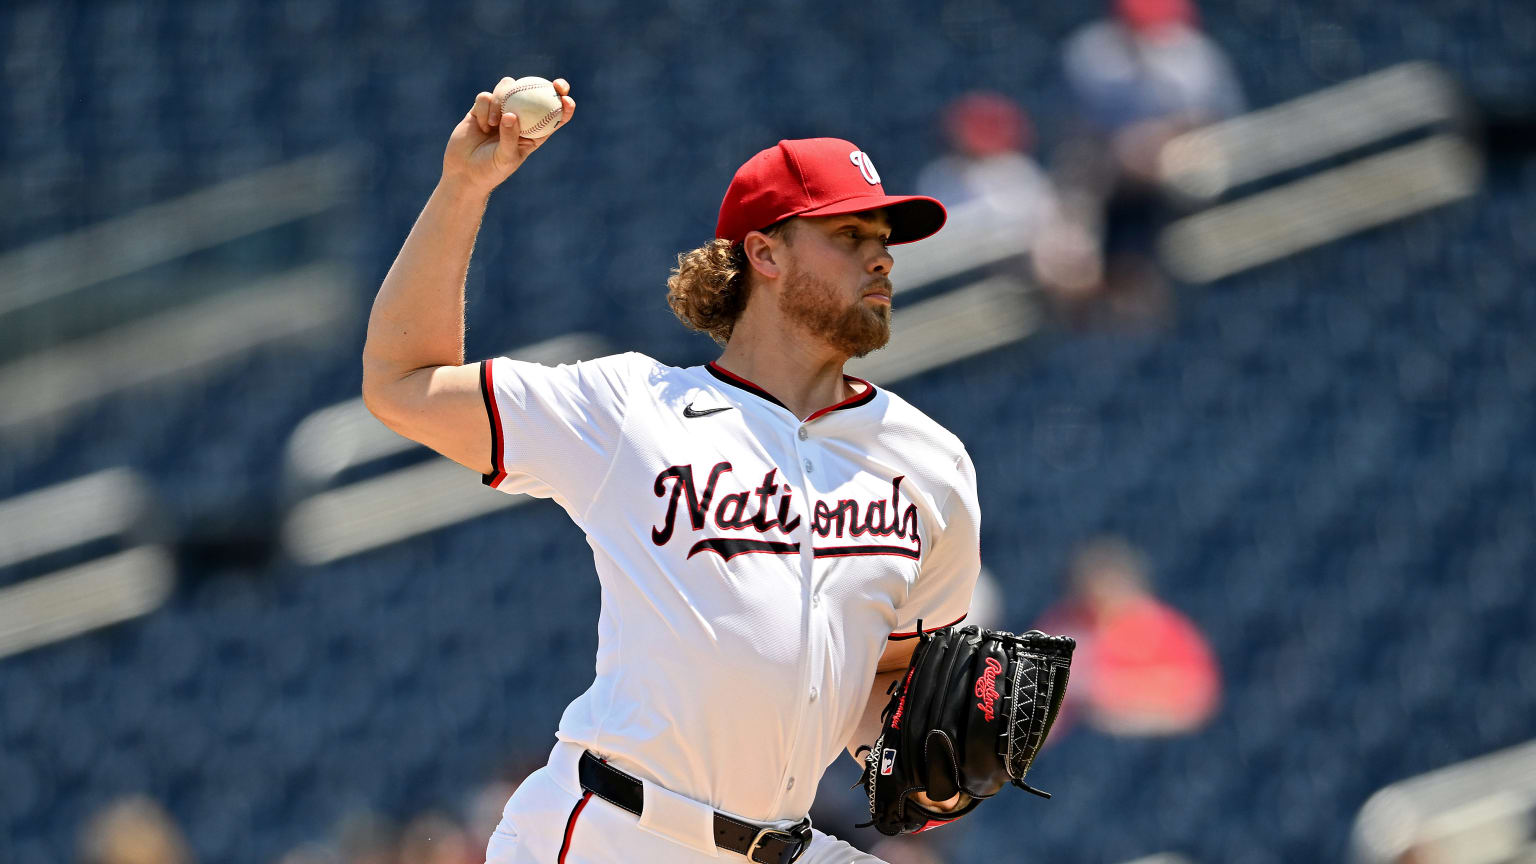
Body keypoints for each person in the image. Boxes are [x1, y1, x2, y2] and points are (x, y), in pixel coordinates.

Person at [361, 77, 982, 864]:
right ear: (765, 252)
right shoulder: (631, 407)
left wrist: (927, 760)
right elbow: (401, 383)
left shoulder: (931, 463)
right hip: (618, 832)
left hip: (785, 846)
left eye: (884, 239)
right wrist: (464, 186)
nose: (881, 259)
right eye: (849, 235)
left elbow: (889, 674)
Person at [1034, 537, 1220, 737]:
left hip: (1146, 737)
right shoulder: (1063, 623)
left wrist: (1114, 689)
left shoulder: (1161, 626)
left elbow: (1199, 694)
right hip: (1072, 738)